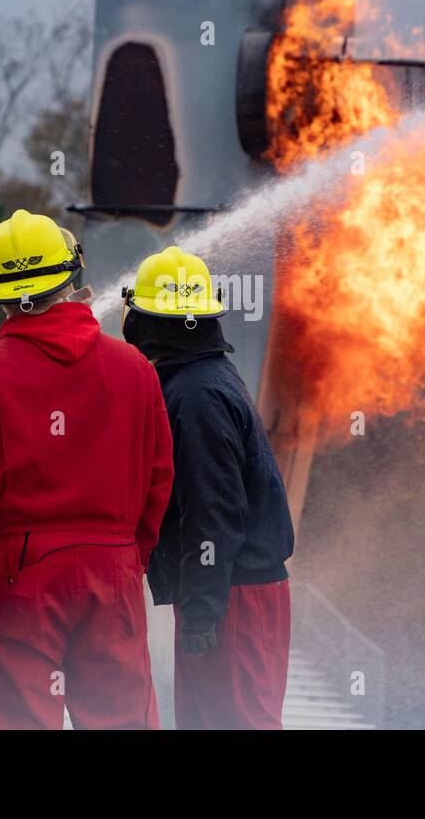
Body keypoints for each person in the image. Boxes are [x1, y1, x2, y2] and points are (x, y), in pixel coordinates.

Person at [0, 209, 173, 729]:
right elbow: (159, 477)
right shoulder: (136, 370)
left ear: (1, 292)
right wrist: (129, 557)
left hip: (22, 574)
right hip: (113, 567)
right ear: (70, 275)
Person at [122, 246, 295, 729]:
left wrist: (202, 608)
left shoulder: (195, 395)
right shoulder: (202, 379)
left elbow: (211, 509)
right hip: (226, 592)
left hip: (229, 597)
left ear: (155, 323)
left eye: (137, 313)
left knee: (239, 721)